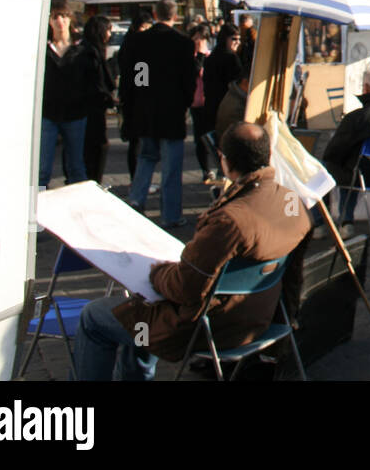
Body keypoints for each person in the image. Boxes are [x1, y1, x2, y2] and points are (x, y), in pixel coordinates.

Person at [73, 122, 312, 381]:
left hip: (211, 327)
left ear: (226, 161)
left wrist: (157, 273)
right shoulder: (291, 202)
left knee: (95, 317)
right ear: (267, 155)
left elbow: (185, 287)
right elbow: (294, 271)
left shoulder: (231, 221)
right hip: (258, 317)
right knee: (140, 312)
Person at [126, 0, 199, 229]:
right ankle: (170, 214)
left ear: (155, 15)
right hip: (173, 109)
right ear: (174, 16)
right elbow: (188, 80)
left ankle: (137, 200)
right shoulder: (183, 44)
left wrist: (144, 95)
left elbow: (139, 75)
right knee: (172, 167)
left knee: (146, 158)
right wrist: (184, 101)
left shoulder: (140, 41)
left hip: (147, 108)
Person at [322, 67, 370, 227]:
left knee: (324, 168)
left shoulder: (356, 118)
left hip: (361, 176)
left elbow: (333, 153)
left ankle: (326, 224)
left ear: (366, 88)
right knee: (353, 165)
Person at [39, 5, 89, 188]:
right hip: (47, 113)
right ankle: (34, 206)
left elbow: (91, 77)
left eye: (63, 17)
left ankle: (80, 205)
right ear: (50, 22)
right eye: (55, 18)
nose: (60, 21)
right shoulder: (41, 48)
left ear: (70, 20)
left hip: (75, 113)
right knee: (41, 169)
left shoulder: (82, 48)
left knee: (76, 166)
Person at [201, 24, 244, 178]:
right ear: (225, 39)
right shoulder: (231, 58)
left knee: (220, 146)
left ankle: (223, 174)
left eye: (239, 39)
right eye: (234, 39)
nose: (237, 42)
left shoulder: (211, 57)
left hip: (212, 106)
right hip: (228, 107)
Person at [116, 7, 154, 180]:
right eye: (145, 28)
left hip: (129, 97)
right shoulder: (138, 45)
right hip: (137, 100)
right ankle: (137, 180)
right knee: (138, 142)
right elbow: (141, 75)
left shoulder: (127, 43)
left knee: (135, 141)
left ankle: (136, 179)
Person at [79, 15, 117, 185]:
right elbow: (97, 83)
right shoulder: (91, 52)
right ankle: (93, 182)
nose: (110, 35)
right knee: (97, 147)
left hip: (90, 107)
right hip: (92, 108)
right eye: (108, 30)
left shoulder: (87, 49)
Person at [188, 23, 219, 184]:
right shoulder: (191, 58)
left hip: (211, 102)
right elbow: (194, 73)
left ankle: (220, 168)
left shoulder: (212, 57)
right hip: (196, 104)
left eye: (201, 38)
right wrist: (198, 54)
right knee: (200, 139)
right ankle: (206, 170)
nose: (198, 41)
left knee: (215, 136)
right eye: (195, 38)